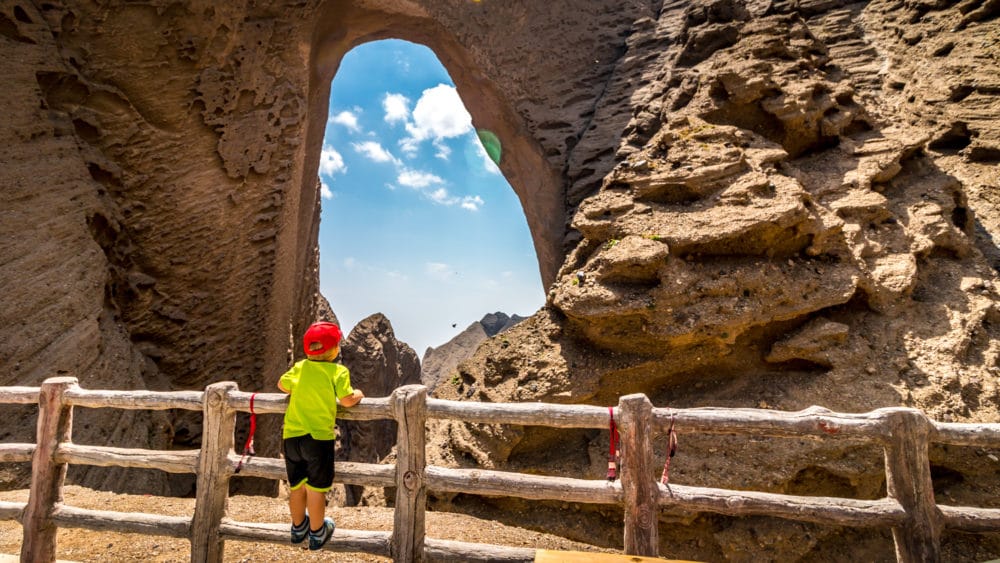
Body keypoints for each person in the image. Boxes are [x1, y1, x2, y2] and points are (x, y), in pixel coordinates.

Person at [278, 321, 364, 551]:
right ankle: (317, 532)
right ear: (334, 349)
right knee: (316, 488)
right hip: (318, 438)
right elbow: (346, 400)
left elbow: (282, 385)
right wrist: (359, 394)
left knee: (296, 486)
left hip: (292, 436)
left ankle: (298, 529)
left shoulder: (299, 367)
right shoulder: (337, 371)